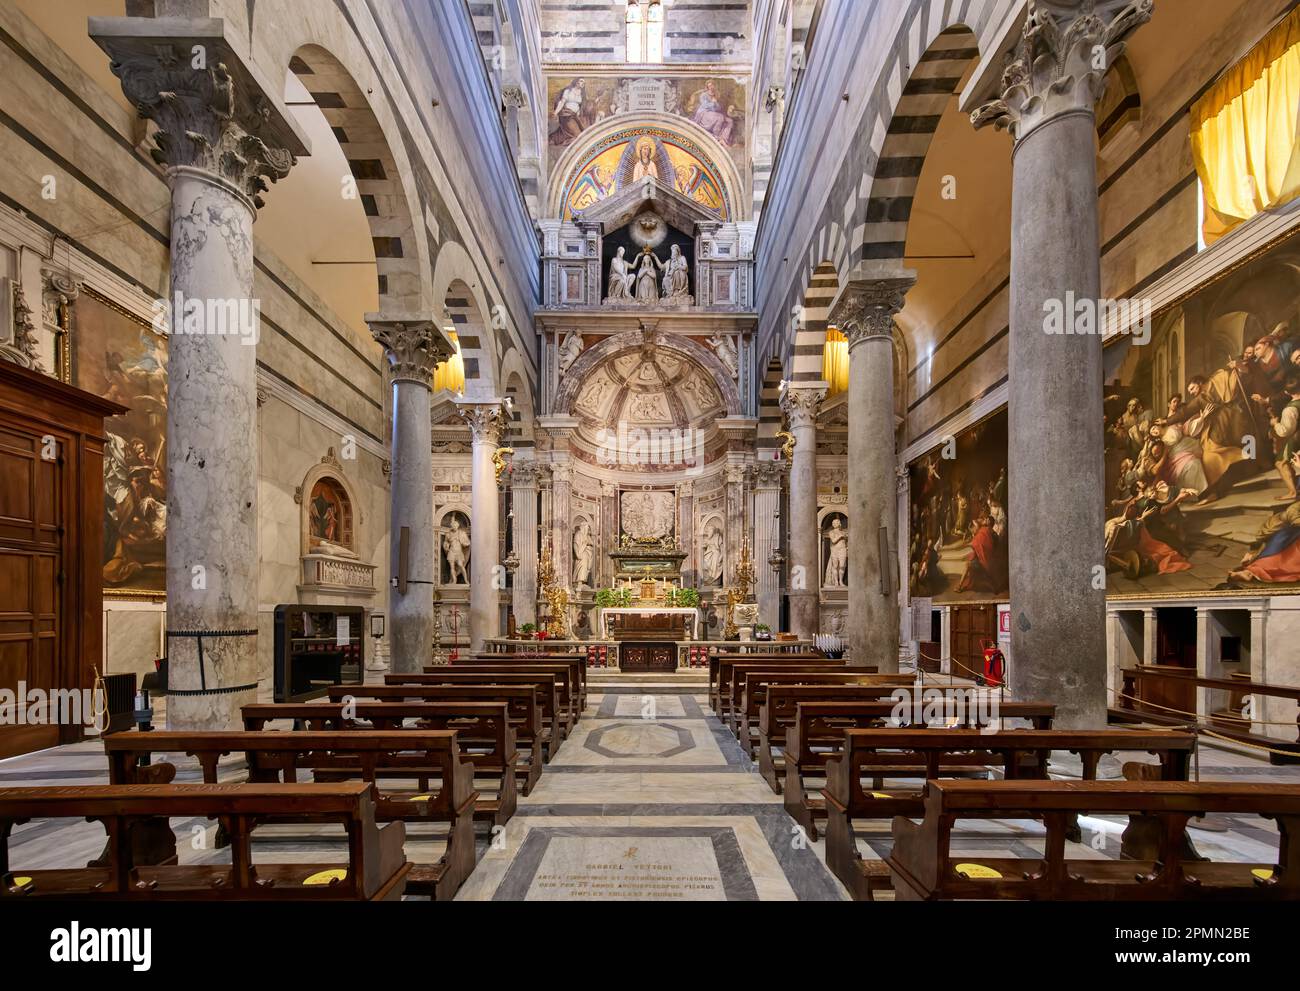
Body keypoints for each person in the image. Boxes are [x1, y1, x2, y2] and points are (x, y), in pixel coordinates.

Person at [442, 516, 471, 584]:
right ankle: (454, 581)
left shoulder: (461, 533)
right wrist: (446, 546)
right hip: (451, 551)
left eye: (455, 525)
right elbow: (445, 542)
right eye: (453, 525)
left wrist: (464, 543)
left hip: (459, 551)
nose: (454, 526)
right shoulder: (448, 534)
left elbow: (468, 542)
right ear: (451, 526)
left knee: (461, 565)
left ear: (457, 526)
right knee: (452, 567)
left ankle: (466, 580)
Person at [823, 518, 847, 587]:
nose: (834, 524)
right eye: (833, 523)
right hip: (835, 550)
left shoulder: (843, 532)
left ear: (839, 524)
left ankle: (841, 581)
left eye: (836, 522)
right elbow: (833, 541)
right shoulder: (831, 532)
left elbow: (846, 542)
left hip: (842, 550)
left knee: (842, 566)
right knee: (835, 566)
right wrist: (840, 536)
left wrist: (846, 547)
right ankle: (836, 581)